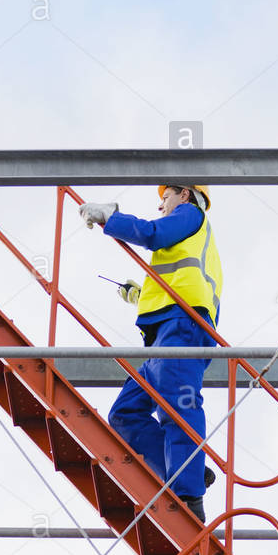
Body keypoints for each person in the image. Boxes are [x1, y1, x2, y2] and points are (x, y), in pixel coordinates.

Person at [79, 184, 222, 523]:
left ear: (184, 195)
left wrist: (111, 218)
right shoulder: (189, 234)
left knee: (177, 406)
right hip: (164, 333)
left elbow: (154, 234)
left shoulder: (190, 213)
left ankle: (188, 496)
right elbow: (176, 281)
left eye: (166, 198)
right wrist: (137, 294)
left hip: (182, 327)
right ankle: (189, 469)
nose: (161, 206)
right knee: (125, 415)